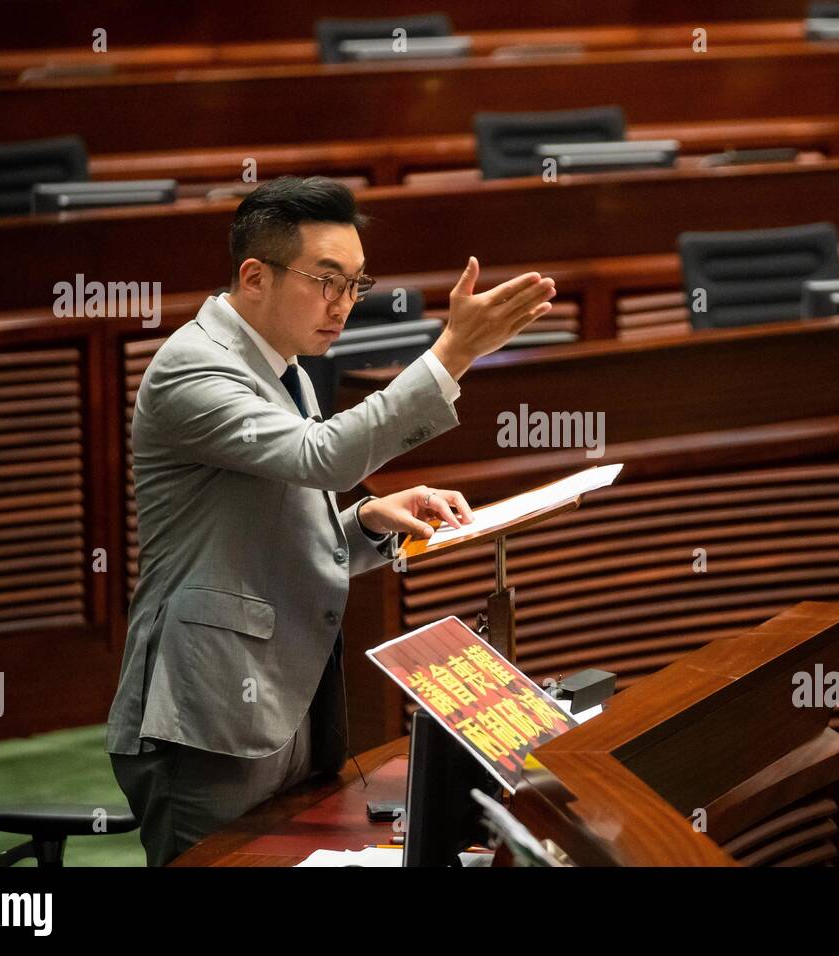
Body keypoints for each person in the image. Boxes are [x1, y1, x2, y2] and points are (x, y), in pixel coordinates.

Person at [106, 176, 556, 865]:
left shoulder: (287, 368)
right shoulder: (192, 369)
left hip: (289, 706)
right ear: (254, 275)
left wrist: (367, 522)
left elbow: (274, 521)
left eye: (355, 284)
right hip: (210, 718)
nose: (344, 305)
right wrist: (453, 353)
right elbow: (321, 456)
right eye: (326, 282)